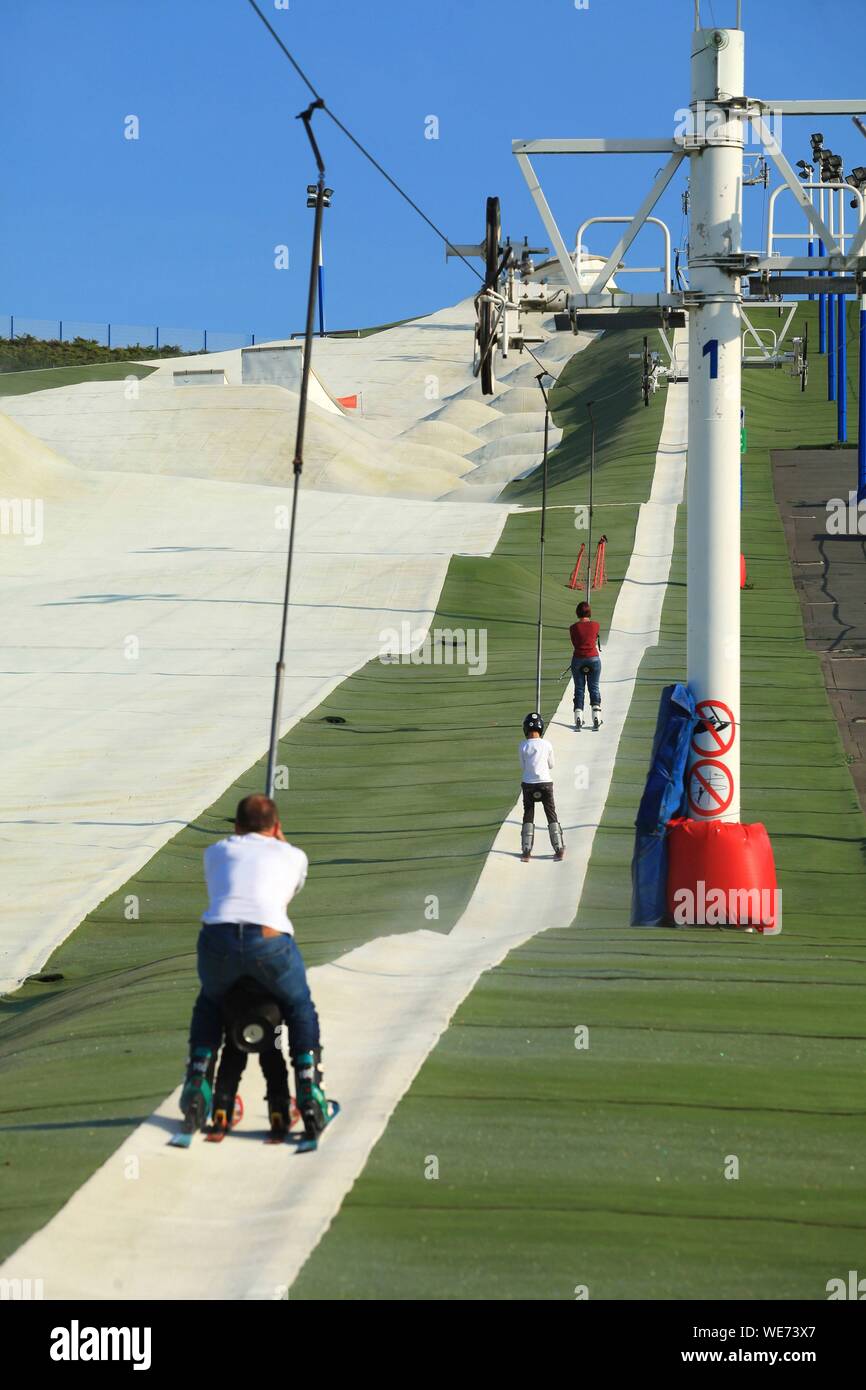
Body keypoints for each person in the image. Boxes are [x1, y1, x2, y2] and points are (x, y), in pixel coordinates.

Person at [180, 793, 329, 1143]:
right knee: (298, 1006)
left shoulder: (215, 852)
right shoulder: (294, 856)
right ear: (276, 827)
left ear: (235, 826)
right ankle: (308, 1084)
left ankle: (199, 1078)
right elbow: (286, 894)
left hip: (219, 941)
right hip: (269, 943)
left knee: (211, 1002)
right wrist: (282, 844)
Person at [518, 712, 565, 863]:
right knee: (551, 813)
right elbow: (552, 765)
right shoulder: (547, 744)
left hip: (528, 785)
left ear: (525, 729)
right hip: (545, 783)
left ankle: (526, 850)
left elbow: (523, 766)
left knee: (528, 813)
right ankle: (558, 847)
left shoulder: (522, 745)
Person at [569, 600, 603, 731]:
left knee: (579, 689)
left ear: (577, 612)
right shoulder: (595, 625)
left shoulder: (573, 628)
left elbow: (574, 642)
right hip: (593, 659)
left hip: (578, 659)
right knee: (594, 688)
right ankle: (597, 717)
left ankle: (578, 717)